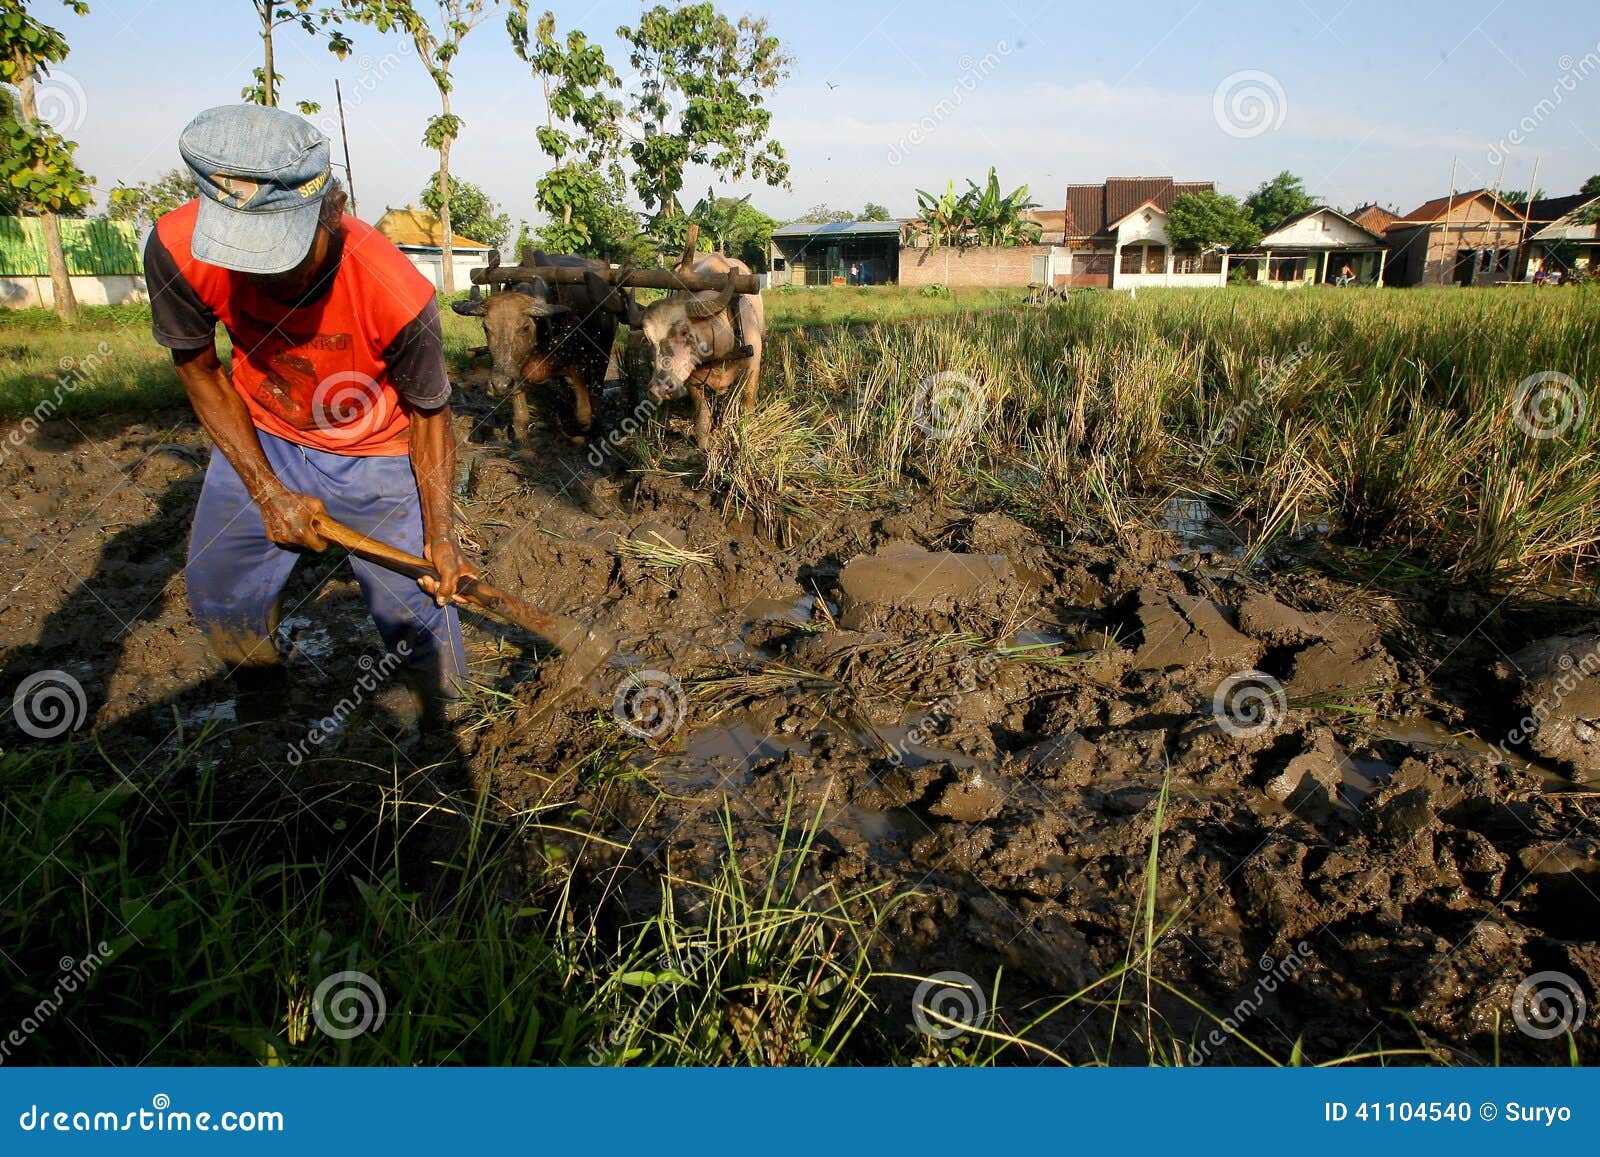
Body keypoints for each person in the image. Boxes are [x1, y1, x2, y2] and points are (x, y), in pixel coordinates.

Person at [143, 104, 474, 725]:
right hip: (261, 432)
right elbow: (199, 370)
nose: (264, 273)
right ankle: (262, 709)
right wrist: (267, 492)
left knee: (415, 610)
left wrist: (441, 538)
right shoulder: (176, 250)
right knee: (219, 586)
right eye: (246, 254)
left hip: (374, 449)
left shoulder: (395, 291)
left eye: (284, 253)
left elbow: (431, 419)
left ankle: (450, 729)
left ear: (331, 214)